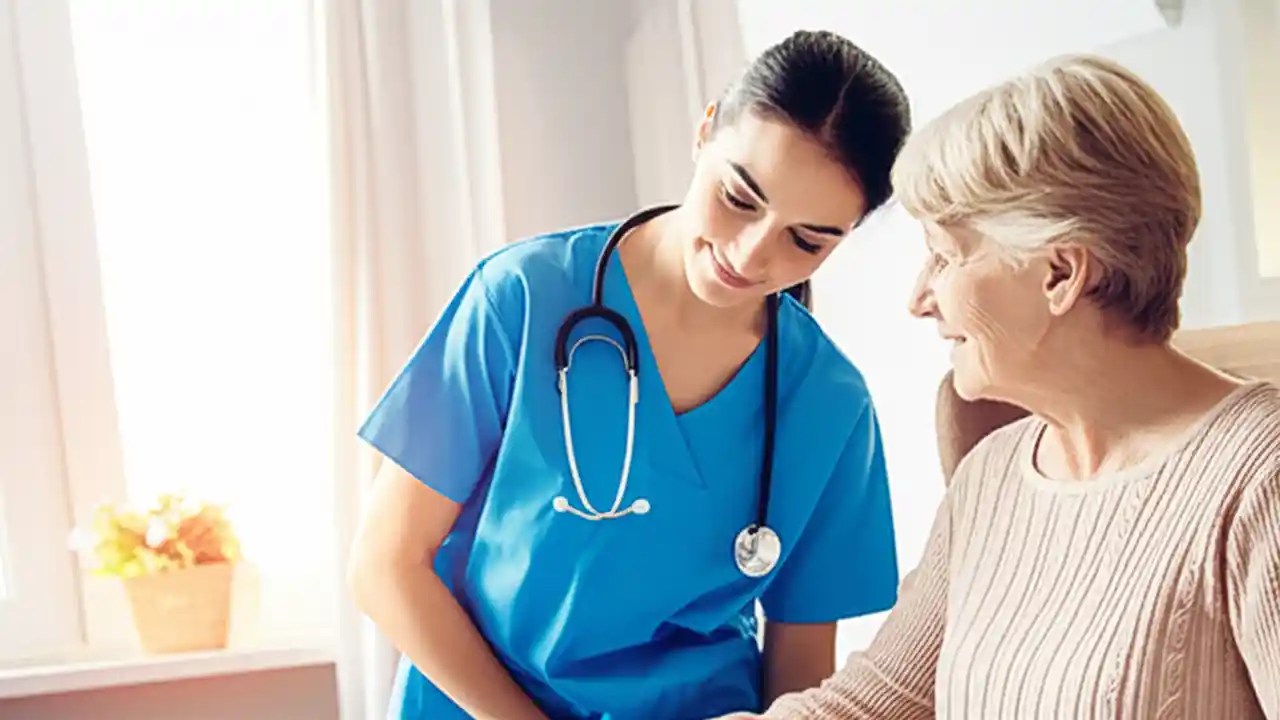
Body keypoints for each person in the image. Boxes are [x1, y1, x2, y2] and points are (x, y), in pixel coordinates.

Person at [345, 30, 913, 719]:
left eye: (806, 240)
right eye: (739, 198)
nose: (750, 253)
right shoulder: (522, 299)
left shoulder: (826, 403)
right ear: (707, 130)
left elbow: (796, 671)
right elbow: (386, 565)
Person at [729, 53, 1280, 720]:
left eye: (947, 255)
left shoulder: (1261, 480)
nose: (920, 298)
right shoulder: (992, 476)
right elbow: (865, 707)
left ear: (1060, 273)